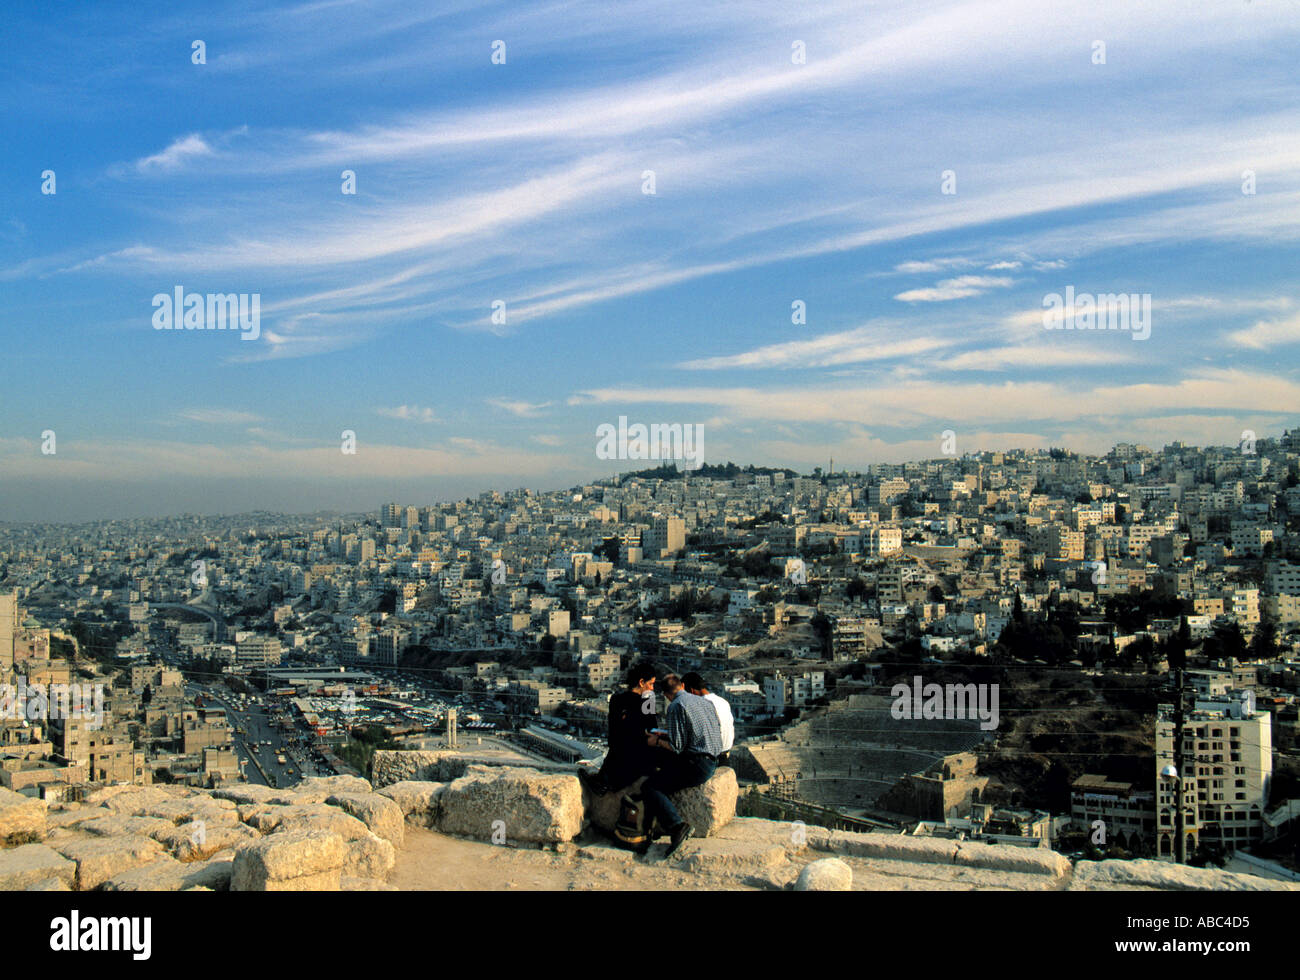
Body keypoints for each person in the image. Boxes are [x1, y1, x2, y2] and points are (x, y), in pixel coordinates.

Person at [641, 672, 725, 859]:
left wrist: (655, 741)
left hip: (697, 765)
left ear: (666, 694)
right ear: (682, 686)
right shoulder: (704, 701)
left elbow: (676, 746)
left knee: (650, 786)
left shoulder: (676, 706)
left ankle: (677, 826)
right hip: (712, 759)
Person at [580, 660, 660, 795]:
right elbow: (653, 729)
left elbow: (614, 730)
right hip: (638, 757)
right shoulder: (647, 702)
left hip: (617, 753)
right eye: (651, 684)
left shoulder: (616, 699)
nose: (652, 688)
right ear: (641, 682)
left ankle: (603, 781)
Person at [681, 672, 734, 763]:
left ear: (691, 690)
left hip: (711, 757)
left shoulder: (700, 704)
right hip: (726, 753)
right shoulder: (722, 701)